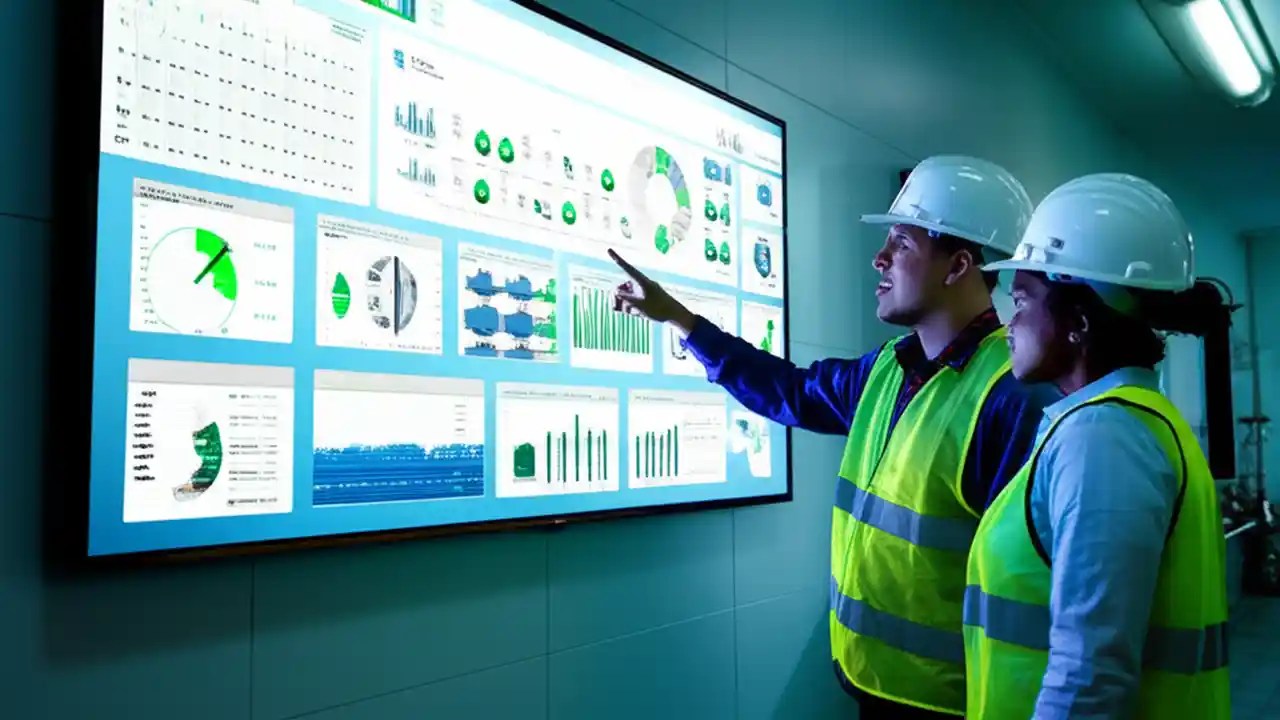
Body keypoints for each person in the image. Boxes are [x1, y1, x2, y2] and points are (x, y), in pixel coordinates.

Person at [609, 155, 1050, 719]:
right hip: (872, 681)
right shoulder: (889, 368)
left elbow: (1031, 583)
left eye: (902, 243)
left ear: (958, 265)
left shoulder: (1011, 397)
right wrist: (680, 319)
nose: (879, 258)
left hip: (953, 702)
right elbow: (790, 392)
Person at [964, 173, 1230, 718]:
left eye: (1021, 300)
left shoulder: (1104, 439)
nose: (1009, 324)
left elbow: (1089, 678)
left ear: (1078, 322)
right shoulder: (1121, 422)